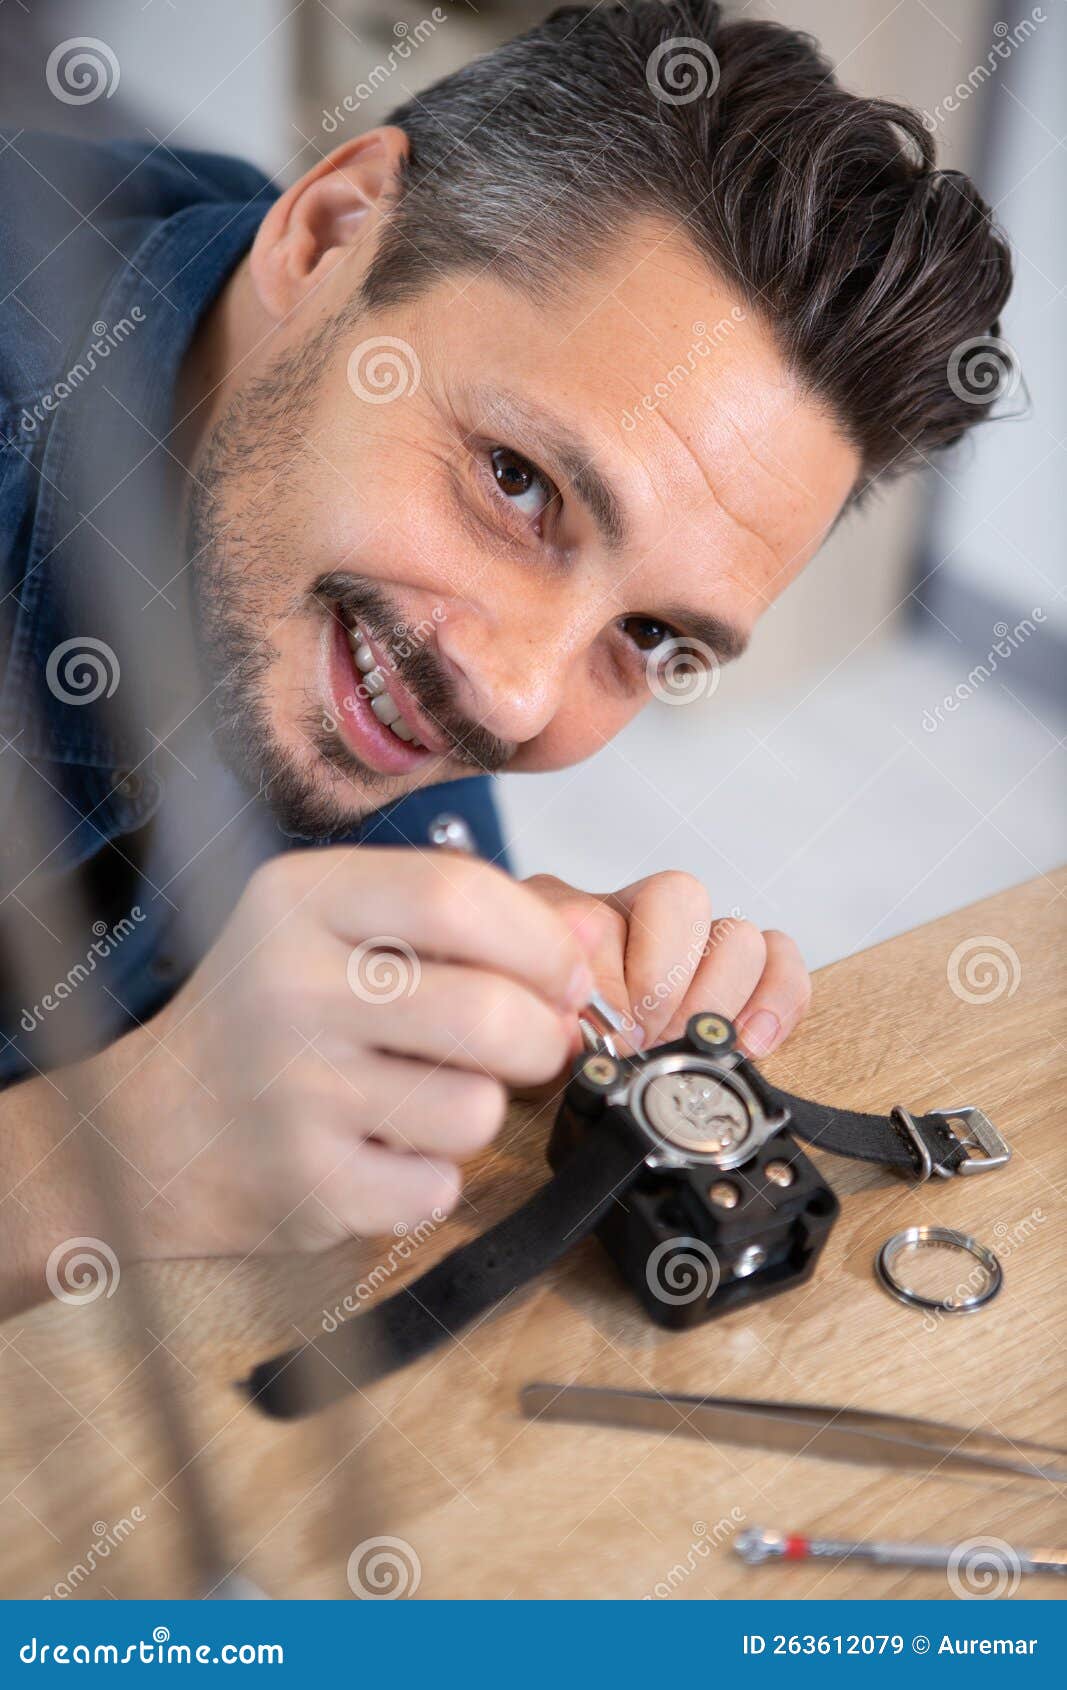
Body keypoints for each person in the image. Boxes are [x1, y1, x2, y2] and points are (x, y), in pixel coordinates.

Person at [0, 2, 1012, 1312]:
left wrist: (466, 990)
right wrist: (94, 1159)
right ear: (327, 236)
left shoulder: (349, 605)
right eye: (521, 484)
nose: (518, 692)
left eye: (649, 636)